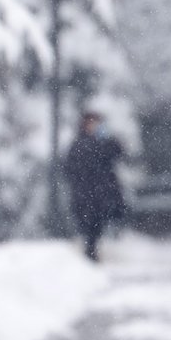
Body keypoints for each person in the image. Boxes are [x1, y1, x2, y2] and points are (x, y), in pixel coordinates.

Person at [63, 107, 123, 261]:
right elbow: (70, 168)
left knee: (97, 225)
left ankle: (92, 251)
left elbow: (117, 153)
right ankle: (90, 252)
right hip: (85, 194)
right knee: (88, 225)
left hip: (100, 194)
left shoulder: (104, 143)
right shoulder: (79, 144)